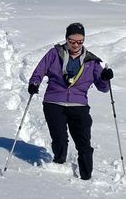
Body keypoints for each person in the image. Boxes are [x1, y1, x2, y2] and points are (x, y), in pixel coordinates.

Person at [27, 22, 114, 179]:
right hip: (54, 102)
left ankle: (86, 177)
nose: (75, 45)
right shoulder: (54, 53)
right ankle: (59, 166)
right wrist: (34, 84)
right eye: (72, 41)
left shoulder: (91, 61)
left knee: (83, 142)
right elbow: (39, 71)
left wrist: (105, 78)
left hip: (79, 104)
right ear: (66, 39)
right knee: (60, 139)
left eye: (80, 42)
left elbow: (103, 88)